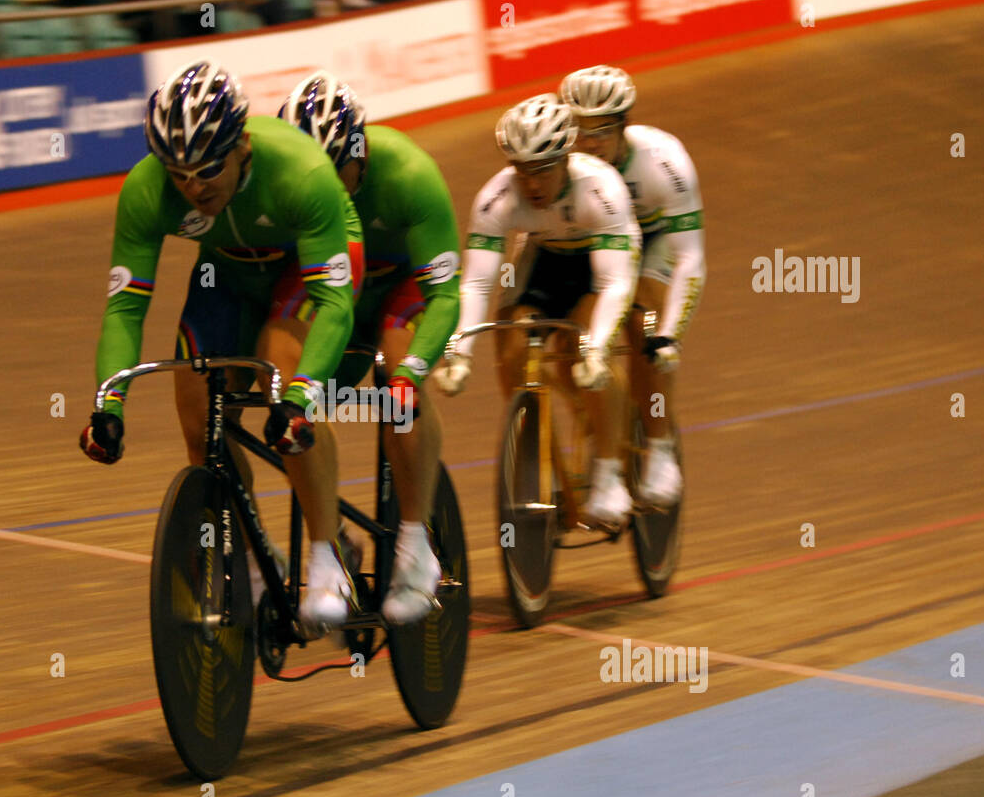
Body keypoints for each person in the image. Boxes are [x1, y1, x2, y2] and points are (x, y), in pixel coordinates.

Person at [79, 60, 364, 634]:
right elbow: (125, 307)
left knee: (280, 369)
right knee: (196, 412)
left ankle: (328, 552)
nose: (193, 186)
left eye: (208, 168)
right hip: (226, 276)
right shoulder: (146, 190)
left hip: (300, 272)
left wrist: (302, 399)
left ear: (243, 147)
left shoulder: (301, 171)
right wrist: (108, 406)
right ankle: (256, 565)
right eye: (178, 172)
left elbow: (333, 304)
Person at [279, 70, 461, 623]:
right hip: (337, 293)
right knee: (289, 393)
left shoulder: (409, 175)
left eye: (338, 170)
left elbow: (445, 294)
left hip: (399, 290)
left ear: (360, 151)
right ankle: (331, 535)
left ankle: (413, 544)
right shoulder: (290, 184)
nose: (327, 187)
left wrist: (409, 374)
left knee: (395, 375)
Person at [433, 94, 641, 527]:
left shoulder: (601, 189)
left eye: (543, 170)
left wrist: (598, 347)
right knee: (510, 358)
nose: (532, 185)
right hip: (542, 261)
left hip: (595, 268)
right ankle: (557, 485)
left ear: (567, 157)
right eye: (522, 170)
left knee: (583, 341)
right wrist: (459, 351)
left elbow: (613, 283)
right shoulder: (496, 198)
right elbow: (476, 282)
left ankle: (609, 472)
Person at [561, 65, 704, 507]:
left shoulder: (664, 161)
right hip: (598, 247)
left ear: (625, 125)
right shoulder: (558, 164)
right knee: (572, 338)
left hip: (655, 244)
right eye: (581, 131)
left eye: (601, 131)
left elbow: (689, 257)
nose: (590, 143)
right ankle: (598, 414)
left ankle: (659, 448)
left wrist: (670, 333)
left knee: (643, 325)